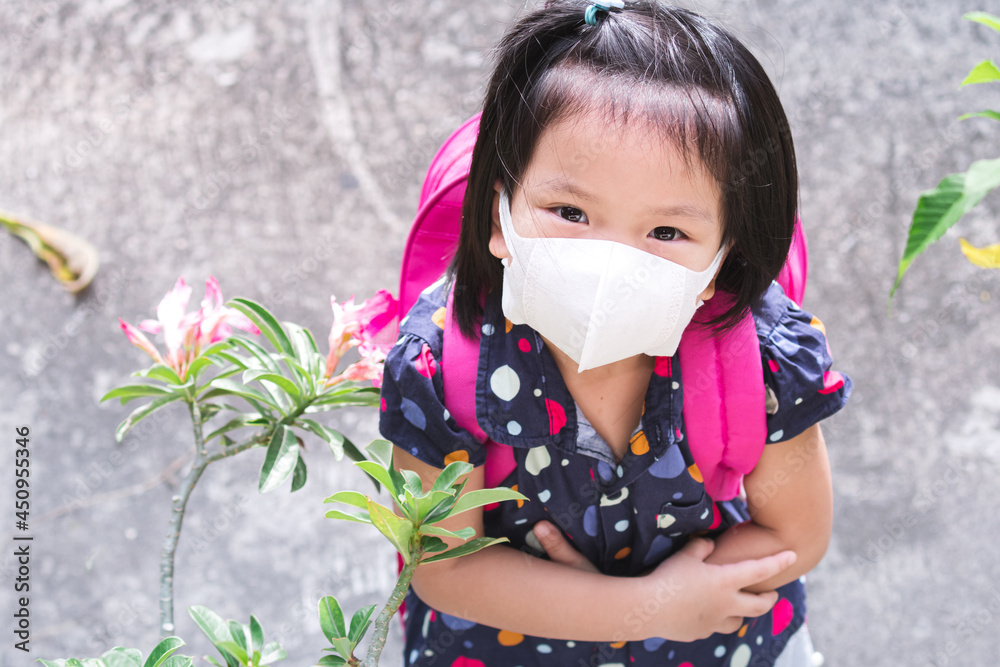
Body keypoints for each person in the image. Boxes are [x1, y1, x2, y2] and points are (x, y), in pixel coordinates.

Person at [378, 1, 852, 665]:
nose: (612, 261)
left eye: (666, 232)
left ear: (722, 259)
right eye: (571, 211)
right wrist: (643, 605)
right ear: (498, 213)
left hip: (717, 646)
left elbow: (796, 535)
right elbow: (441, 565)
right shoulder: (442, 364)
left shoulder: (761, 357)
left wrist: (681, 600)